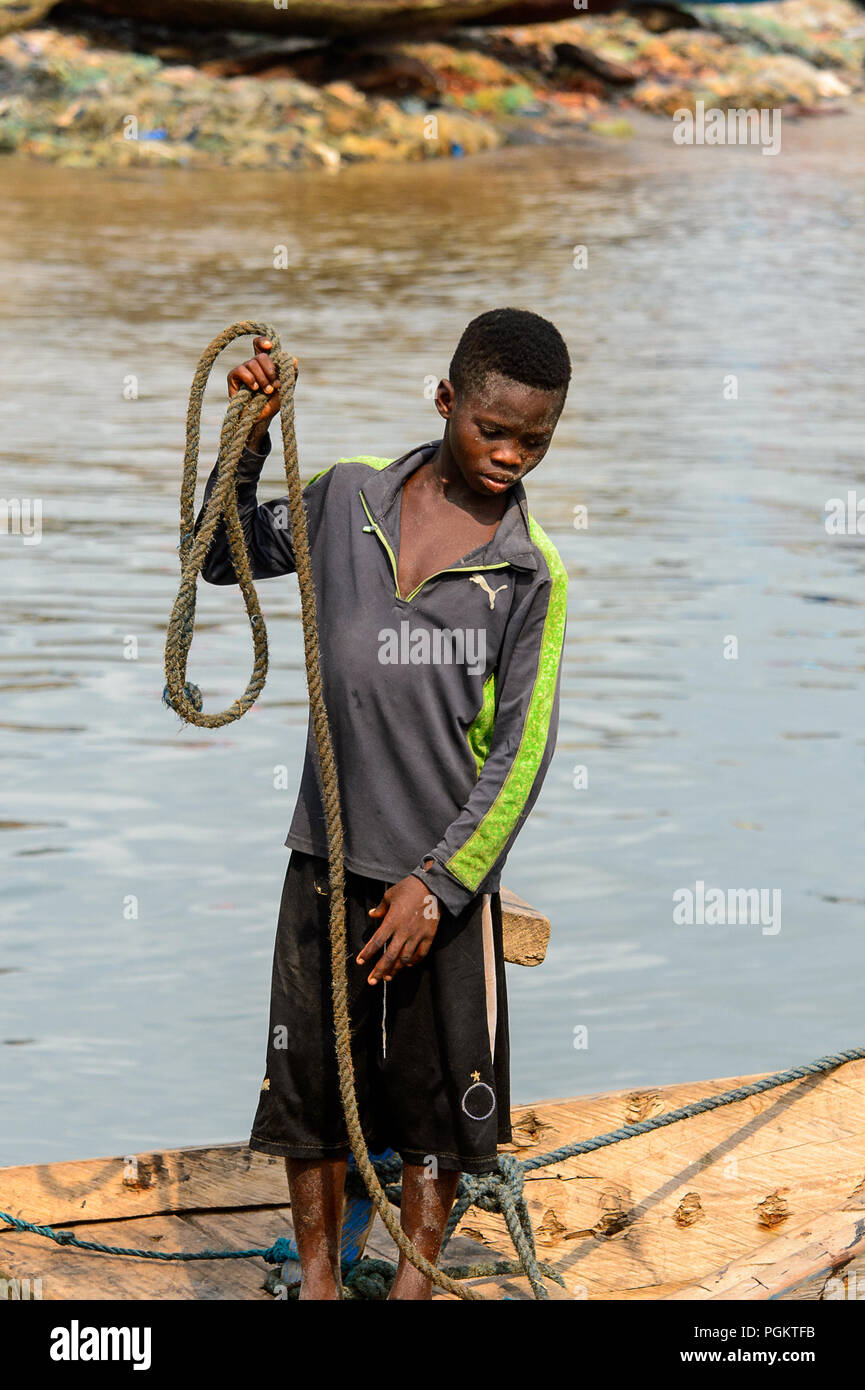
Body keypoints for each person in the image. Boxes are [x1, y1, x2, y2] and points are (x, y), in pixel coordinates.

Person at [195, 307, 570, 1299]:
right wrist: (253, 432)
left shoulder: (528, 572)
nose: (510, 453)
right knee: (309, 1090)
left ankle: (411, 1286)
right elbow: (222, 554)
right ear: (446, 402)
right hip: (324, 858)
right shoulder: (347, 497)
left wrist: (440, 886)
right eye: (493, 429)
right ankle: (318, 1283)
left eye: (534, 439)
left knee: (436, 1111)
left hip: (433, 884)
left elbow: (521, 758)